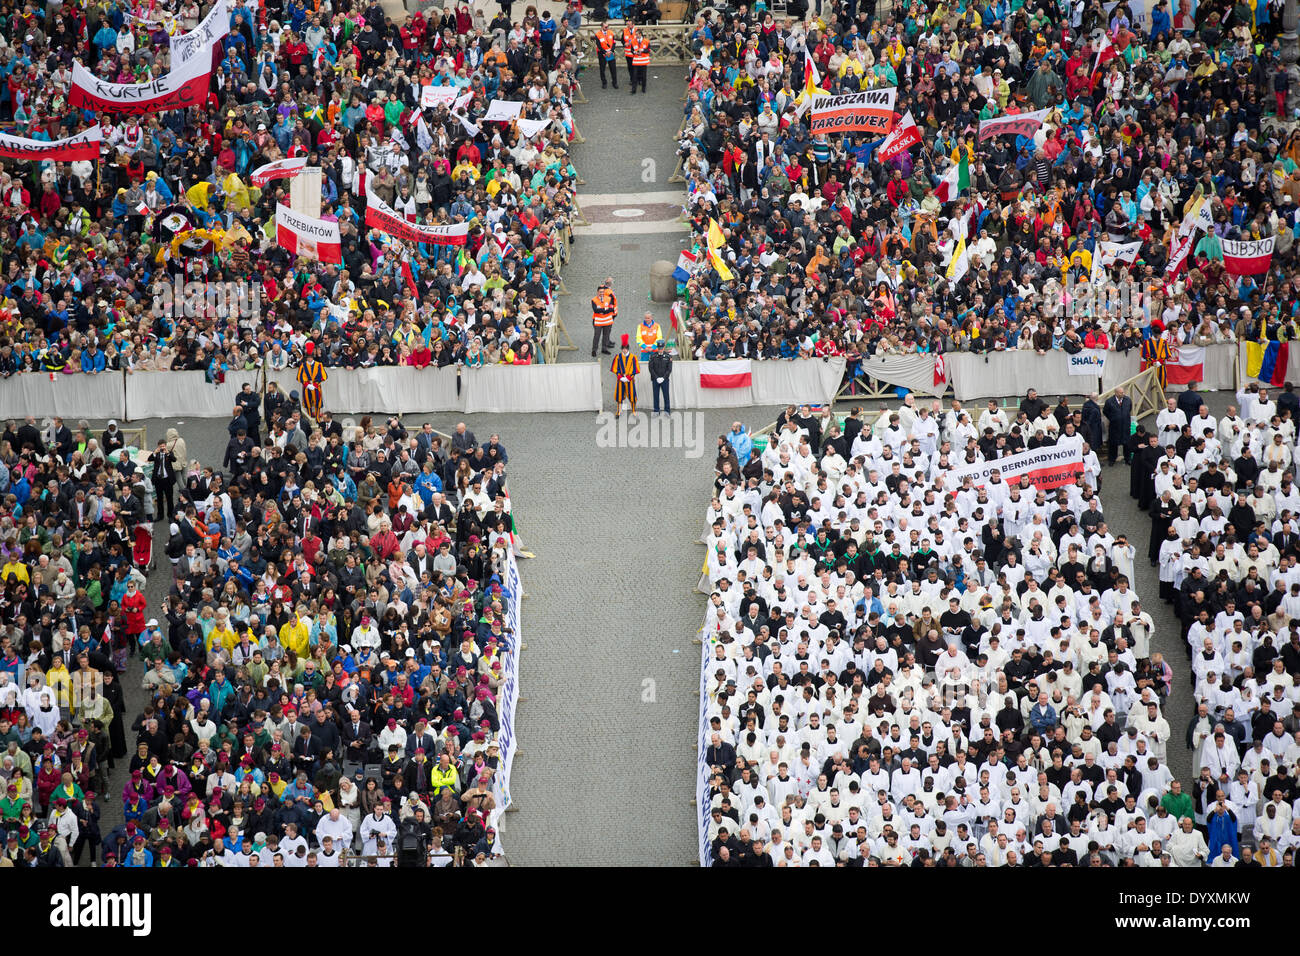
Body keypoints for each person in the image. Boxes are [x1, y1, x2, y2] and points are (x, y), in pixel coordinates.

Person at [297, 341, 328, 423]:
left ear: (313, 357)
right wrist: (307, 384)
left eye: (311, 357)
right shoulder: (303, 365)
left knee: (317, 403)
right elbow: (300, 377)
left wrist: (315, 383)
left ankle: (317, 417)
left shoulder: (319, 365)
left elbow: (324, 376)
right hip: (307, 387)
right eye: (308, 357)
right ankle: (309, 417)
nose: (309, 359)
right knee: (308, 403)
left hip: (316, 386)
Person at [611, 334, 639, 418]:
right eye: (623, 349)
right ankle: (619, 411)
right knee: (619, 396)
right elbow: (615, 368)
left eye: (626, 349)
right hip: (620, 380)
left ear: (628, 349)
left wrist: (628, 378)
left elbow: (635, 369)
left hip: (630, 380)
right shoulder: (618, 357)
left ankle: (633, 410)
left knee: (632, 395)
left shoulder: (633, 357)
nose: (624, 350)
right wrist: (620, 377)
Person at [1103, 387, 1133, 465]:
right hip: (1114, 426)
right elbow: (1105, 411)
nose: (1123, 394)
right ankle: (1112, 459)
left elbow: (1129, 409)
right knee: (1113, 443)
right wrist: (1113, 418)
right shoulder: (1109, 401)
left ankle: (1128, 459)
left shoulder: (1128, 400)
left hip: (1125, 426)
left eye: (1123, 392)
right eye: (1121, 393)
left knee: (1126, 443)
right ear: (1116, 393)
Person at [591, 280, 618, 357]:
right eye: (600, 292)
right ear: (597, 292)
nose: (602, 293)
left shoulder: (608, 299)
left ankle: (604, 349)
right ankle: (594, 350)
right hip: (598, 321)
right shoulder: (594, 300)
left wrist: (602, 310)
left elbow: (611, 308)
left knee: (606, 335)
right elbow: (595, 310)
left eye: (603, 292)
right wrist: (605, 310)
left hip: (607, 321)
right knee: (597, 336)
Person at [648, 340, 672, 416]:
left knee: (666, 395)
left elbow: (669, 369)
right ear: (657, 348)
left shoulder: (668, 357)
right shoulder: (653, 356)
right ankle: (656, 410)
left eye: (661, 348)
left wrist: (663, 378)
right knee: (656, 395)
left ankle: (667, 410)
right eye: (659, 348)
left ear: (663, 347)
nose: (660, 349)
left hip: (664, 380)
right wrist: (656, 377)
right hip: (655, 379)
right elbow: (651, 368)